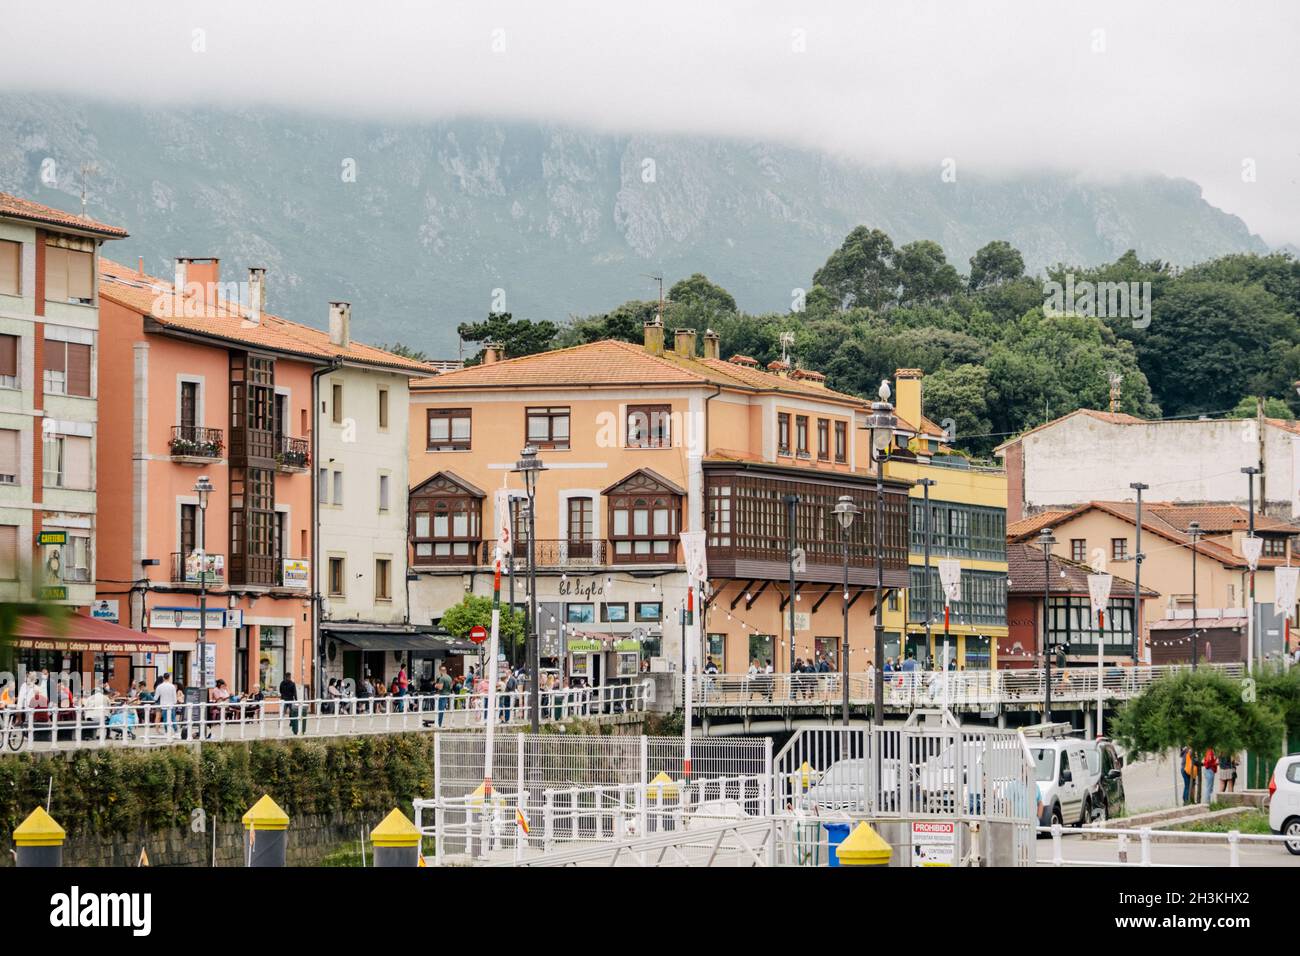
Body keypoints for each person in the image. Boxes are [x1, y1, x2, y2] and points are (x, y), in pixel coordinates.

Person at [154, 672, 178, 736]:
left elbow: (156, 698)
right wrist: (174, 702)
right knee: (173, 719)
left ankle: (167, 731)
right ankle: (176, 731)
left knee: (165, 719)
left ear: (163, 678)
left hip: (163, 705)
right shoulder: (172, 686)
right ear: (169, 678)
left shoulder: (159, 687)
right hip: (171, 705)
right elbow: (175, 697)